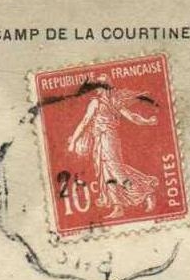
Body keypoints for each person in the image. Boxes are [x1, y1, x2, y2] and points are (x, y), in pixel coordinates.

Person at [66, 73, 160, 219]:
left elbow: (85, 122)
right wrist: (147, 122)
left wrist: (73, 142)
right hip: (101, 140)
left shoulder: (102, 103)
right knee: (106, 173)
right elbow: (132, 117)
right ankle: (118, 207)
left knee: (116, 172)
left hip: (108, 139)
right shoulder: (107, 102)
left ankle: (145, 192)